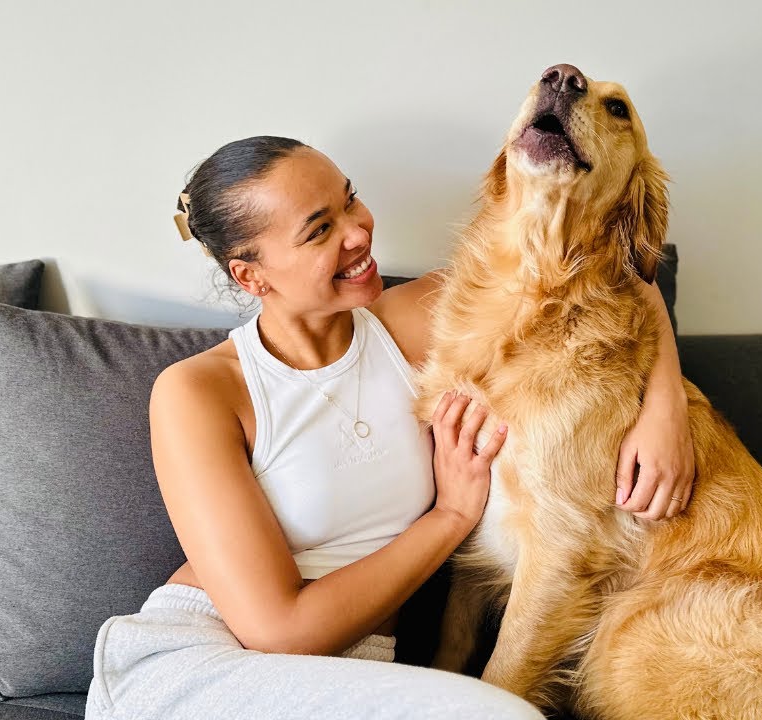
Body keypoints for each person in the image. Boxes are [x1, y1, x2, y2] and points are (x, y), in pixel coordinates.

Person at [83, 136, 696, 720]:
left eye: (349, 198)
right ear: (252, 276)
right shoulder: (200, 392)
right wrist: (449, 518)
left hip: (356, 676)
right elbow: (280, 631)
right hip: (204, 665)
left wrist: (664, 412)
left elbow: (610, 275)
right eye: (320, 229)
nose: (358, 230)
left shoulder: (412, 322)